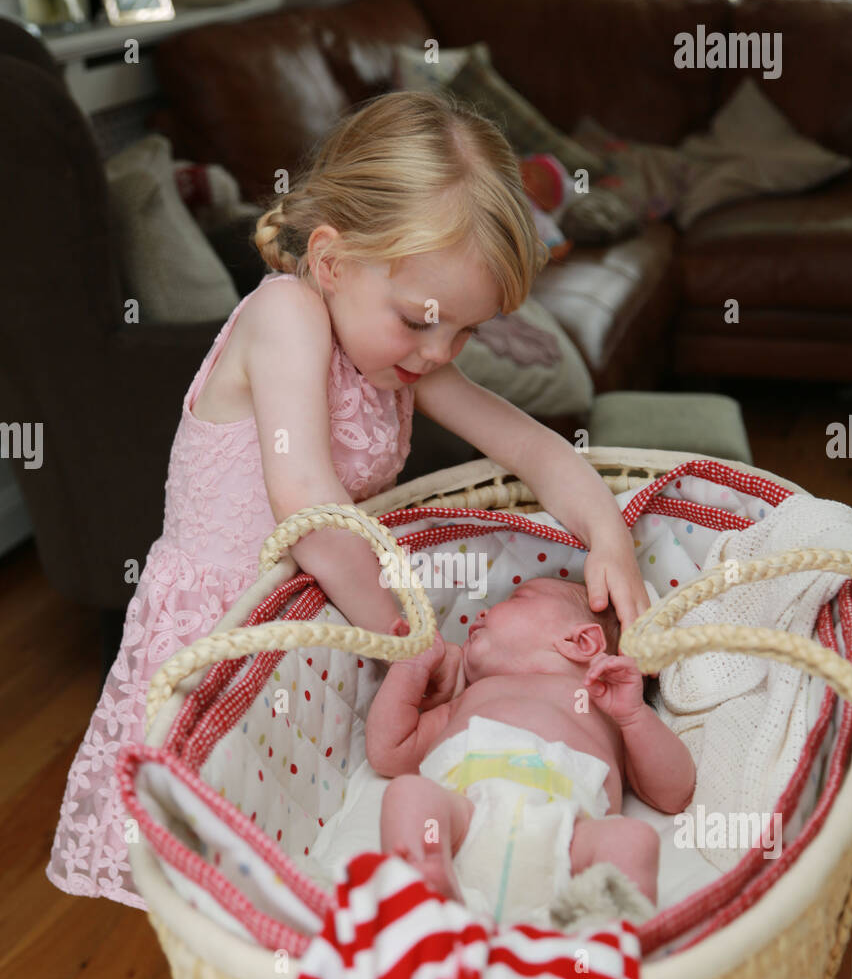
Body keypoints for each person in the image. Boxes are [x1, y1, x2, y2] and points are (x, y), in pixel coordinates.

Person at [48, 87, 649, 909]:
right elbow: (310, 508)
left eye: (464, 331)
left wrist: (608, 537)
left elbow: (533, 447)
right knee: (202, 877)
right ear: (331, 262)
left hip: (322, 621)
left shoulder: (402, 354)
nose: (439, 352)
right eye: (420, 320)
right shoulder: (286, 314)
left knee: (286, 866)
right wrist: (414, 639)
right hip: (229, 625)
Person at [369, 577, 695, 922]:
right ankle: (422, 891)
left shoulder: (608, 708)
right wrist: (411, 668)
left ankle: (606, 930)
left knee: (634, 840)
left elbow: (674, 793)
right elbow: (390, 751)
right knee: (409, 795)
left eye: (516, 597)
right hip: (462, 822)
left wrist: (633, 716)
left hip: (567, 839)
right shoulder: (470, 699)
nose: (480, 613)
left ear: (580, 641)